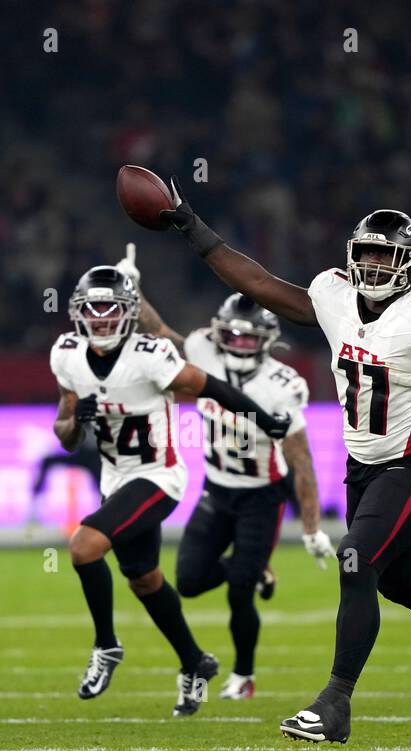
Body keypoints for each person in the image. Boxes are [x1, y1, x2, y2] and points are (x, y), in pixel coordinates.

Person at [153, 187, 411, 743]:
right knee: (402, 582)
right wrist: (190, 226)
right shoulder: (334, 296)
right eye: (367, 253)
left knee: (354, 559)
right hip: (363, 467)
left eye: (385, 255)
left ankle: (335, 705)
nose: (373, 265)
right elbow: (258, 283)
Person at [50, 264, 291, 716]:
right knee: (144, 579)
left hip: (159, 477)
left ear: (127, 312)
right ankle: (195, 662)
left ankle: (106, 645)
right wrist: (74, 420)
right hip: (116, 478)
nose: (100, 319)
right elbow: (64, 434)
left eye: (110, 309)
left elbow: (212, 386)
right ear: (77, 313)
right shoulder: (65, 355)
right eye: (92, 310)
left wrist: (263, 417)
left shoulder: (150, 354)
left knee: (84, 548)